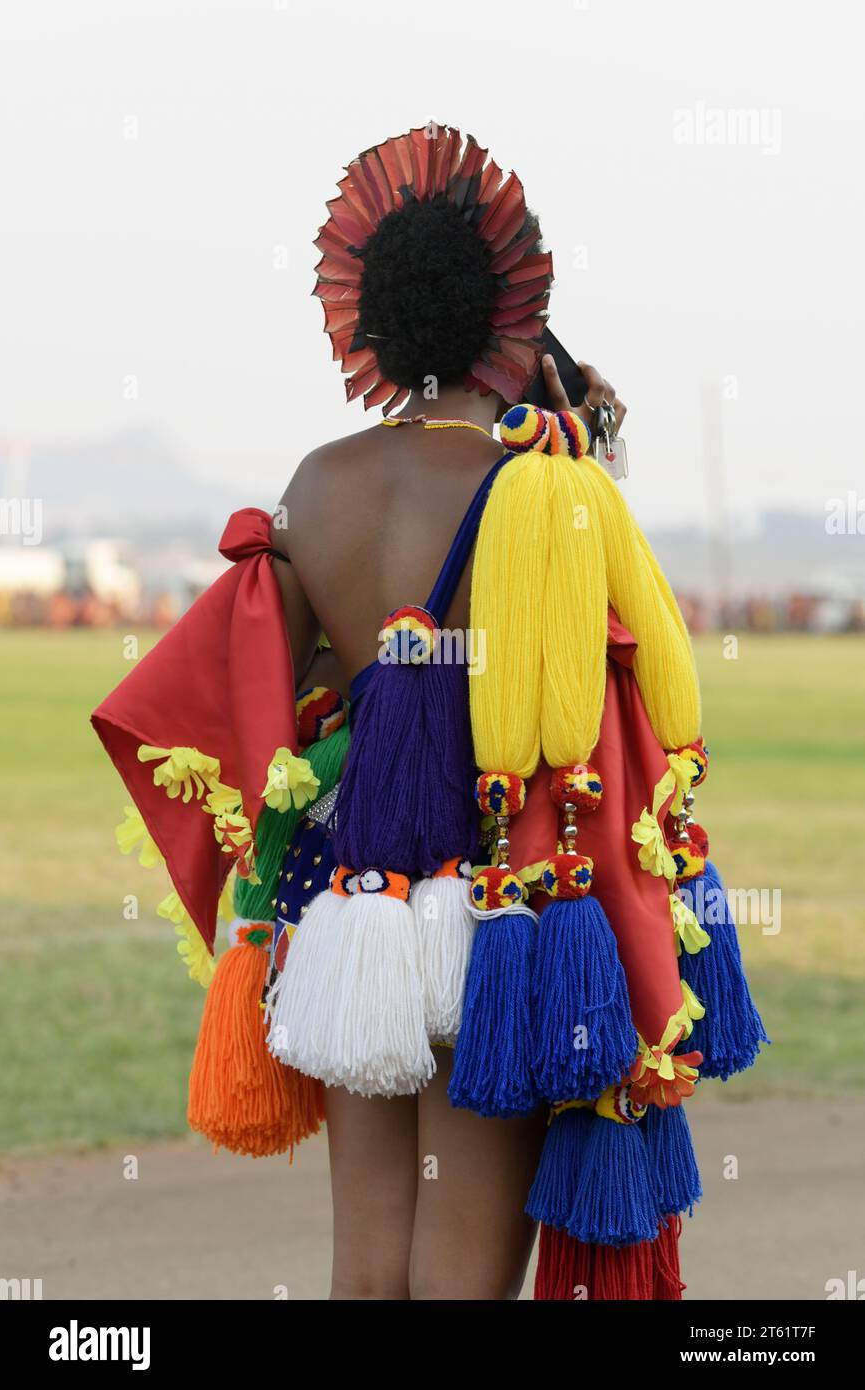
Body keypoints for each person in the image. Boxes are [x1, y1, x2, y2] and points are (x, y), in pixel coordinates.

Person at [93, 123, 766, 1302]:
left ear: (371, 327)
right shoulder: (530, 479)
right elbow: (605, 686)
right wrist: (582, 451)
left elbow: (281, 694)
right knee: (460, 1281)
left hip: (350, 910)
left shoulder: (315, 482)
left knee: (364, 1274)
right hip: (495, 913)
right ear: (512, 317)